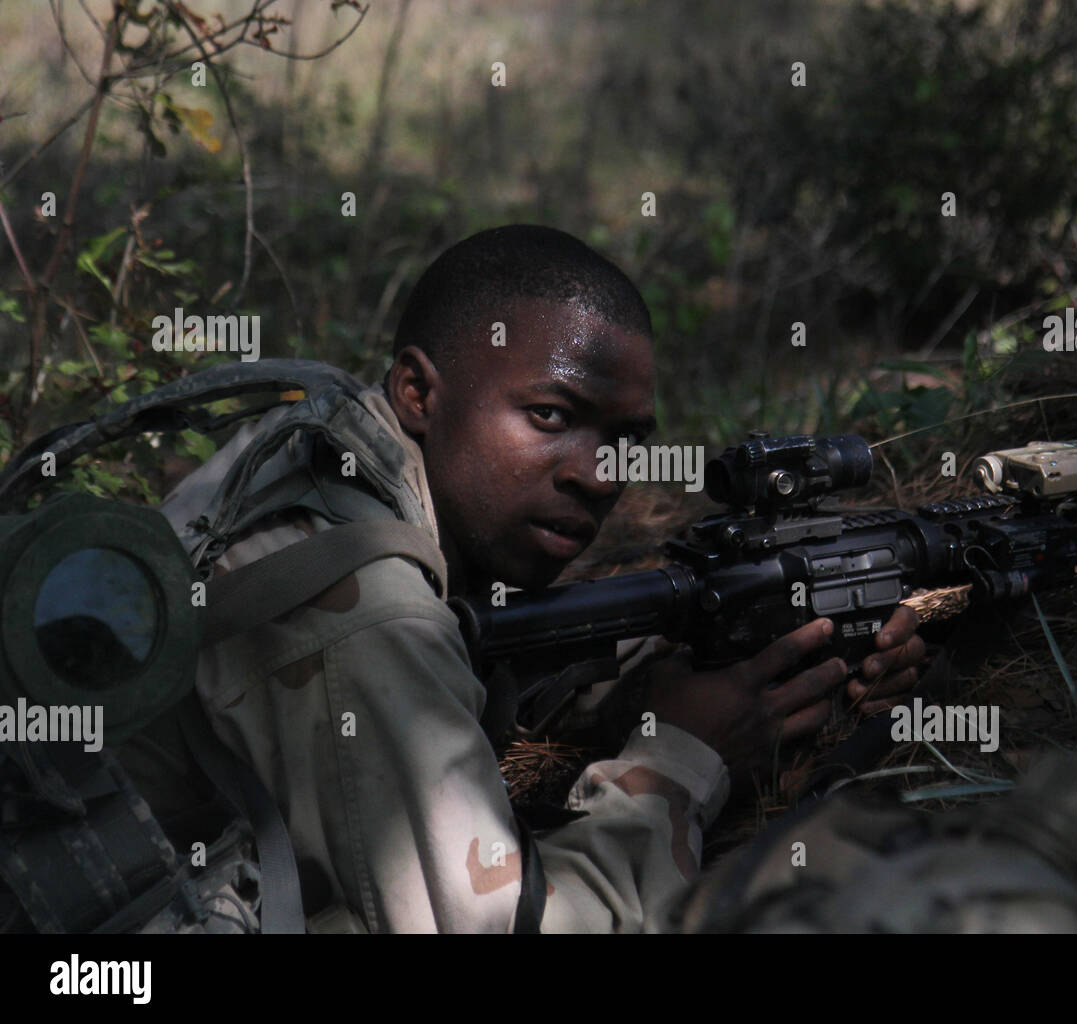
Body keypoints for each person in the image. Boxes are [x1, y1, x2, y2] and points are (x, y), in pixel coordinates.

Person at [160, 224, 925, 932]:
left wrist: (701, 671)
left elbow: (482, 645)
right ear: (417, 392)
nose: (599, 476)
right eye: (552, 417)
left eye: (625, 439)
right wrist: (686, 758)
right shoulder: (367, 610)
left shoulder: (335, 451)